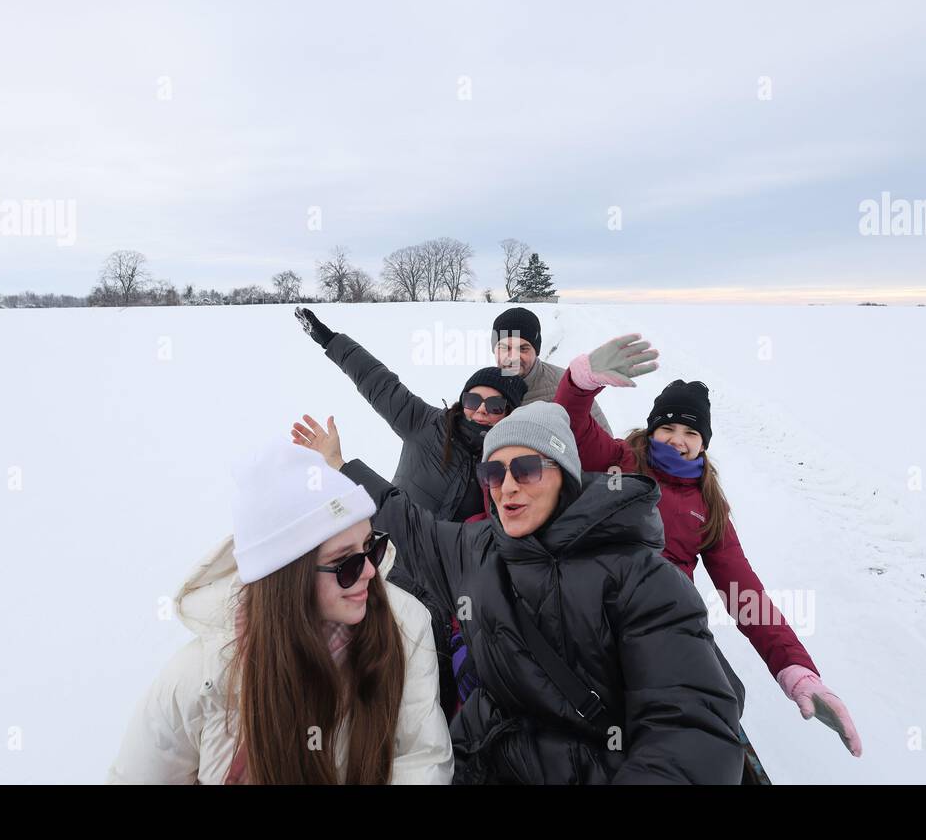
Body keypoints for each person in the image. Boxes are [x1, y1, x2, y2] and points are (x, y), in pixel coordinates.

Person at [291, 403, 746, 784]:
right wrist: (341, 466)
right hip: (483, 760)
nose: (507, 486)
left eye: (527, 469)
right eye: (493, 472)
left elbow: (689, 731)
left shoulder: (642, 579)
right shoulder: (479, 548)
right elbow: (408, 522)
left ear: (565, 476)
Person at [554, 333, 864, 757]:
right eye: (667, 427)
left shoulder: (708, 505)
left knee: (725, 696)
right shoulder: (620, 461)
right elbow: (571, 422)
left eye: (690, 431)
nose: (677, 439)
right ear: (652, 428)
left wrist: (797, 670)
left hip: (662, 616)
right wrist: (583, 378)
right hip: (594, 606)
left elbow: (744, 592)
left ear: (704, 442)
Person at [106, 441, 454, 784]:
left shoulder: (405, 624)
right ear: (290, 578)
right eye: (344, 563)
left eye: (371, 548)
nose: (368, 572)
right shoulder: (202, 674)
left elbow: (422, 757)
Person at [295, 305, 526, 717]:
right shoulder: (426, 423)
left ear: (509, 416)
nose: (480, 412)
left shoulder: (504, 465)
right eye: (474, 400)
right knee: (357, 668)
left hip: (442, 593)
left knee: (426, 689)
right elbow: (378, 382)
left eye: (495, 407)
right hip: (382, 564)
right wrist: (331, 341)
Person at [490, 306, 612, 434]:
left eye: (523, 348)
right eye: (504, 348)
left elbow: (605, 443)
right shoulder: (482, 387)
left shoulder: (568, 386)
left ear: (536, 351)